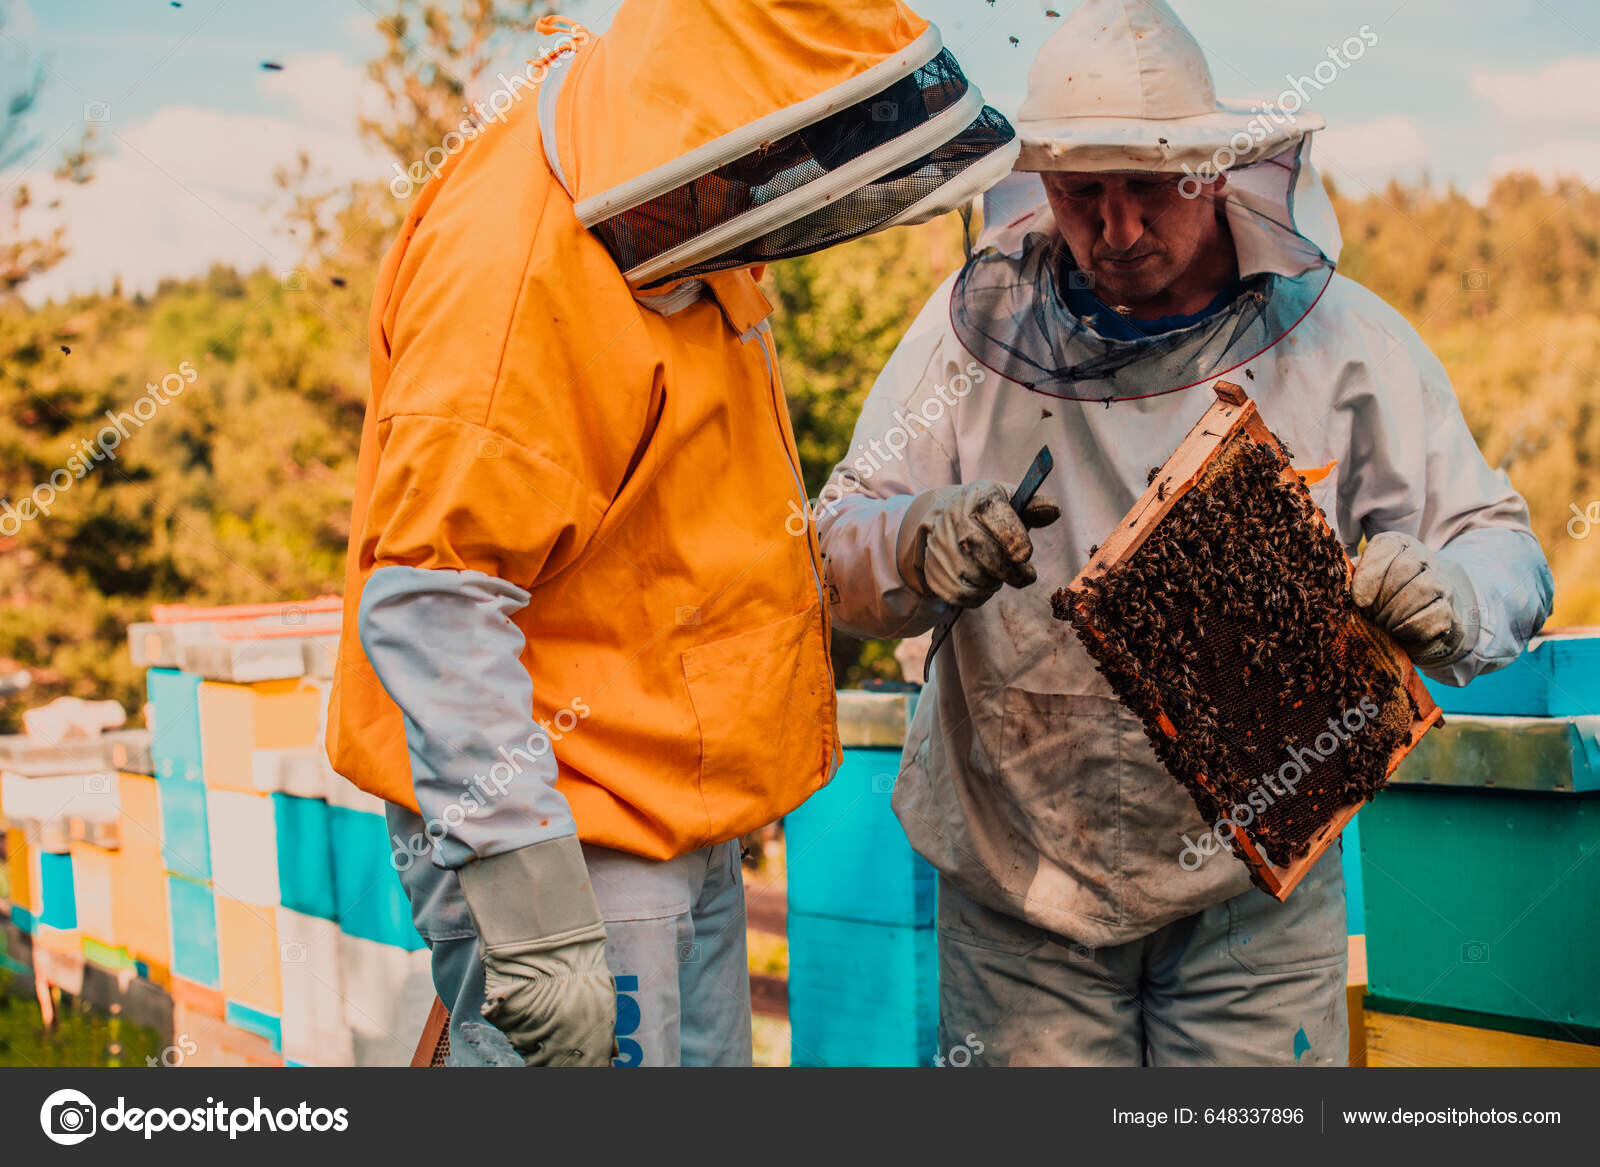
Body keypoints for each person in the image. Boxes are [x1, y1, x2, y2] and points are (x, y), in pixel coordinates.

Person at [815, 0, 1554, 1066]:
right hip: (1022, 881)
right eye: (1080, 193)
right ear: (1040, 185)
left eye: (1149, 188)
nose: (1115, 231)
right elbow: (836, 542)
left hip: (1256, 899)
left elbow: (1502, 545)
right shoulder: (961, 339)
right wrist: (912, 543)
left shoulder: (1343, 343)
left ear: (1212, 172)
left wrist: (1458, 594)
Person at [326, 1, 1019, 1067]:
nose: (774, 213)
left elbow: (709, 522)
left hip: (673, 802)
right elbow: (433, 595)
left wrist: (905, 542)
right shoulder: (509, 272)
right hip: (569, 822)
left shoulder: (682, 179)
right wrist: (533, 908)